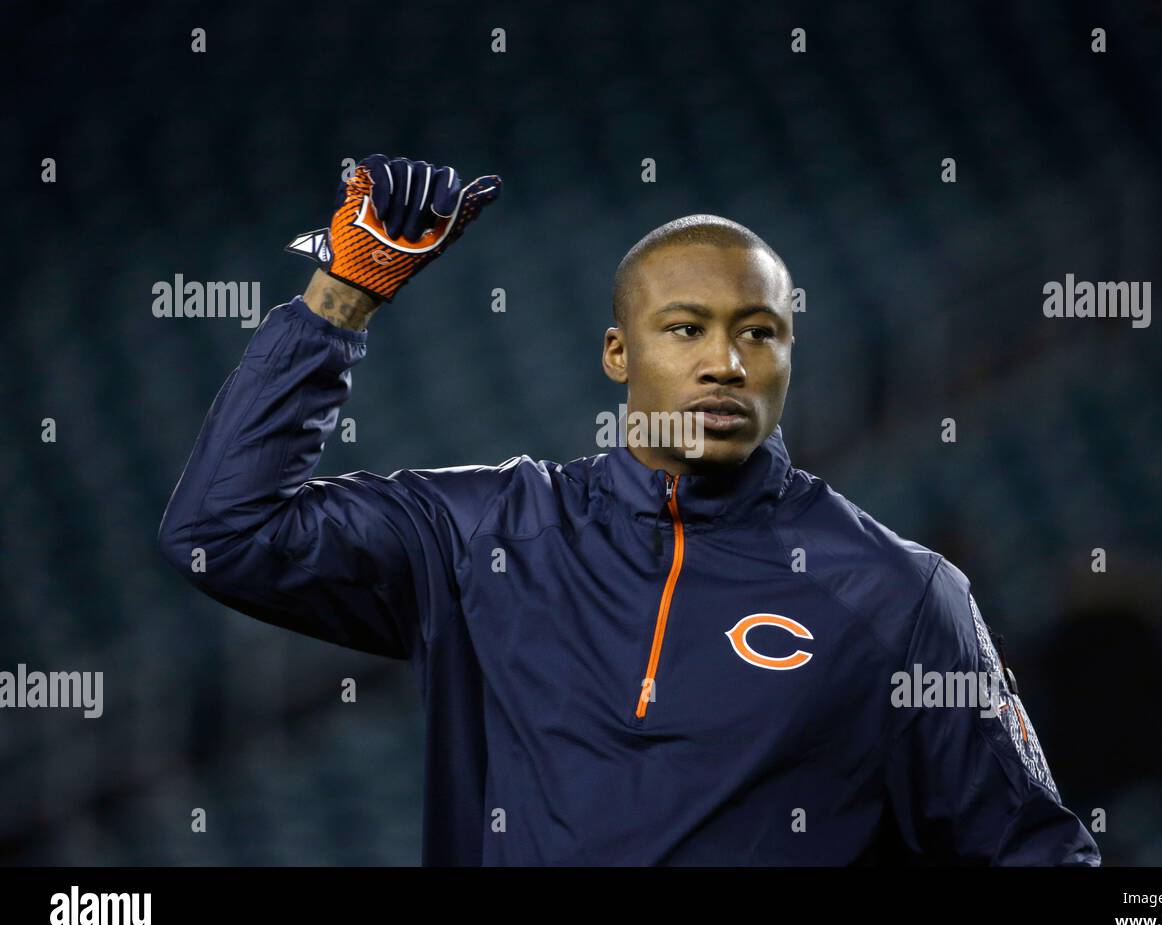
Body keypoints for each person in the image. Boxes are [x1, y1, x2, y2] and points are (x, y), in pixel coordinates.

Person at [158, 153, 1101, 866]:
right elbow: (221, 532)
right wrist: (341, 298)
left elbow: (1036, 858)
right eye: (685, 329)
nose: (725, 363)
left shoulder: (898, 596)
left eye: (759, 334)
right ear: (619, 354)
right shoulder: (484, 537)